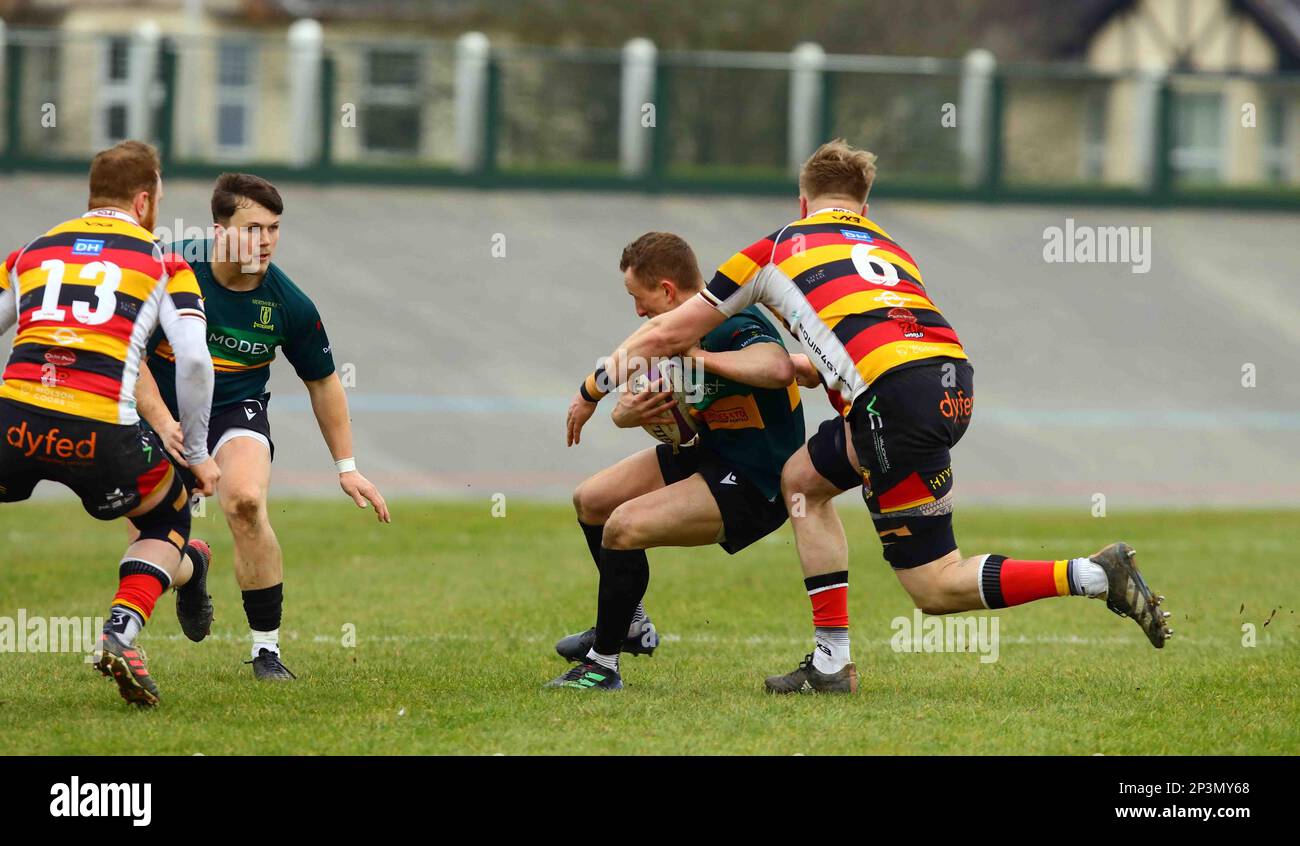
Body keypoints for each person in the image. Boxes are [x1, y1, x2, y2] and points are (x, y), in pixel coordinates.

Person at [566, 139, 1171, 695]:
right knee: (813, 488)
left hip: (890, 398)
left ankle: (840, 657)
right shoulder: (888, 247)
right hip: (949, 385)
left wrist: (593, 389)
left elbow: (670, 330)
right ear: (863, 202)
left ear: (803, 200)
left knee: (927, 581)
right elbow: (851, 337)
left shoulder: (779, 246)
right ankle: (1090, 577)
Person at [134, 172, 391, 681]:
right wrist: (162, 423)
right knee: (156, 539)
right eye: (253, 229)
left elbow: (323, 382)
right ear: (218, 230)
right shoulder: (170, 272)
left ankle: (266, 652)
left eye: (273, 228)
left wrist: (348, 468)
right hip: (160, 413)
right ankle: (193, 569)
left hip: (235, 410)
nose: (266, 240)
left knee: (246, 502)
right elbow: (128, 354)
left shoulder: (289, 304)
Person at [0, 140, 220, 707]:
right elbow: (194, 360)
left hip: (15, 422)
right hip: (101, 434)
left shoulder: (32, 251)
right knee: (167, 521)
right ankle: (120, 635)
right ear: (145, 200)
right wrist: (195, 451)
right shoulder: (165, 261)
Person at [549, 232, 805, 691]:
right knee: (592, 501)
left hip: (756, 482)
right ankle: (629, 625)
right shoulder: (672, 330)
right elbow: (644, 369)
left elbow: (777, 367)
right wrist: (609, 404)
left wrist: (702, 359)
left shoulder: (735, 322)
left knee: (623, 526)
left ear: (668, 290)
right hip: (706, 454)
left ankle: (602, 666)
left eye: (639, 297)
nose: (638, 310)